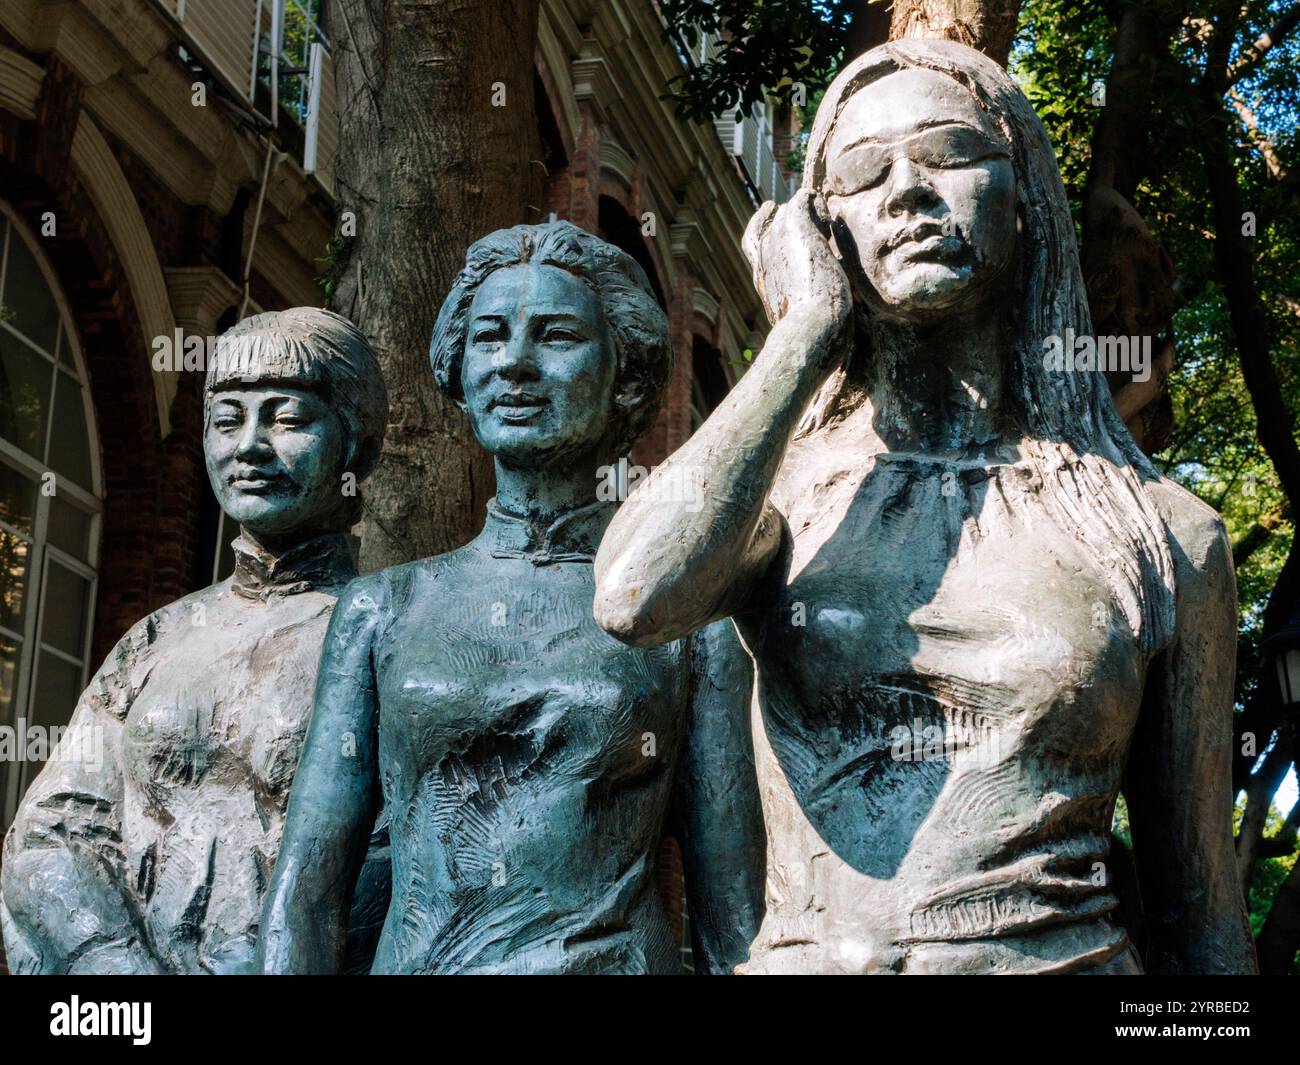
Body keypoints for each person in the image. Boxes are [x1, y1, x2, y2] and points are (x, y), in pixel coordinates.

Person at [593, 41, 1256, 975]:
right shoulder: (777, 498)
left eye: (948, 154)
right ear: (825, 232)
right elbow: (632, 595)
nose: (907, 192)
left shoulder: (1168, 535)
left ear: (1025, 196)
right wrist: (807, 331)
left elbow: (1203, 922)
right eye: (864, 176)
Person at [258, 222, 764, 975]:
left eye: (556, 335)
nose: (516, 365)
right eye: (490, 337)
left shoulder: (687, 624)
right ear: (461, 372)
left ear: (624, 375)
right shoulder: (382, 610)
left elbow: (736, 923)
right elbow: (306, 891)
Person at [1, 307, 389, 974]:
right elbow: (49, 829)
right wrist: (111, 961)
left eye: (288, 418)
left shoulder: (391, 633)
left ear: (356, 443)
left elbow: (416, 854)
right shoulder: (157, 638)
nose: (250, 447)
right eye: (228, 418)